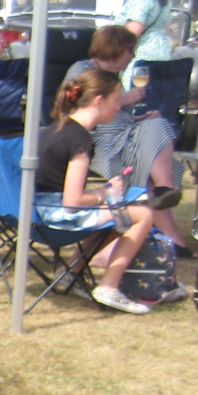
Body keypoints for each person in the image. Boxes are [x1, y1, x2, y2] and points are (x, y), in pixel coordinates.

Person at [37, 68, 158, 314]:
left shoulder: (56, 128)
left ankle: (70, 272)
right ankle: (109, 286)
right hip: (53, 213)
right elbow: (73, 201)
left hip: (34, 207)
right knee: (142, 214)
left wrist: (103, 192)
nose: (118, 107)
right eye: (116, 101)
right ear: (98, 100)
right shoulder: (80, 140)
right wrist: (105, 193)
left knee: (119, 213)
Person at [62, 24, 186, 250]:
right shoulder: (84, 70)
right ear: (114, 48)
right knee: (148, 165)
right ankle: (165, 197)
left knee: (156, 123)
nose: (133, 56)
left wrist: (138, 118)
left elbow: (116, 115)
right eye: (130, 50)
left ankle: (163, 195)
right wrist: (125, 100)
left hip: (122, 134)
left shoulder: (112, 76)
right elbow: (79, 112)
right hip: (97, 140)